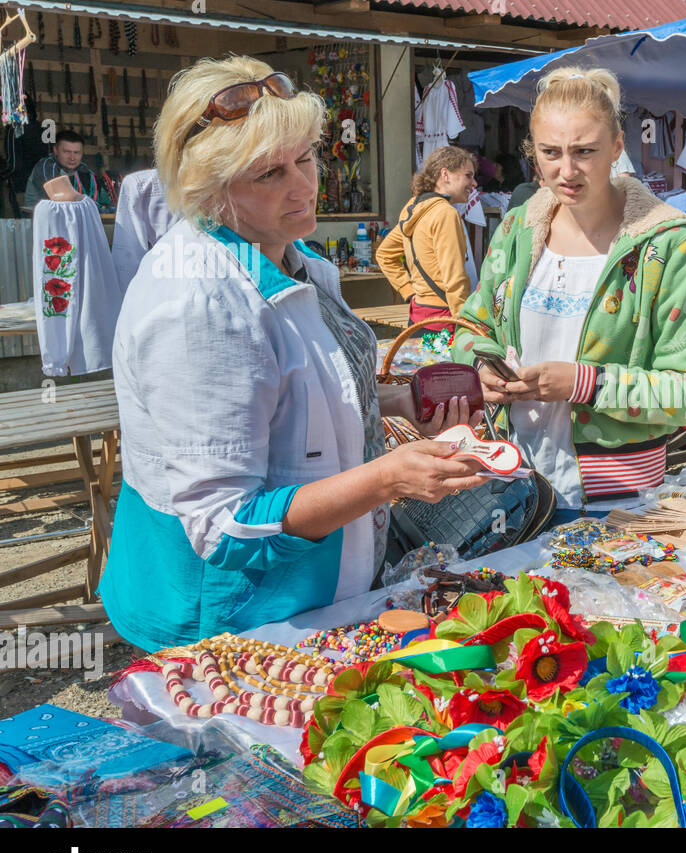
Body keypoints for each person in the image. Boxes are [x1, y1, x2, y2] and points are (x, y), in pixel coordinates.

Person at [101, 56, 488, 651]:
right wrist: (387, 479)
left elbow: (293, 393)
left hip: (313, 588)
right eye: (269, 175)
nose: (305, 186)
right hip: (232, 617)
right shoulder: (197, 302)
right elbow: (224, 526)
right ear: (210, 188)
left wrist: (399, 398)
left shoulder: (286, 255)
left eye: (305, 159)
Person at [452, 67, 686, 520]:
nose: (566, 171)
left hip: (618, 498)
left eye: (584, 152)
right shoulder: (518, 230)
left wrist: (583, 383)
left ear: (617, 146)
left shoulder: (666, 244)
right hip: (513, 489)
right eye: (549, 153)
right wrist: (481, 364)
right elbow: (472, 325)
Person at [375, 145, 478, 332]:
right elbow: (454, 279)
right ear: (445, 174)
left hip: (418, 317)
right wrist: (465, 326)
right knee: (447, 363)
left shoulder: (413, 208)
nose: (474, 183)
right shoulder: (445, 213)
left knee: (423, 363)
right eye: (468, 175)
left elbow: (384, 254)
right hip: (445, 320)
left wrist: (409, 291)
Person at [22, 129, 110, 213]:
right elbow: (60, 198)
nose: (72, 158)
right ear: (56, 151)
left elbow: (102, 200)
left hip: (68, 219)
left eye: (76, 153)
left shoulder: (84, 170)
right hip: (39, 221)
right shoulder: (46, 166)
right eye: (67, 152)